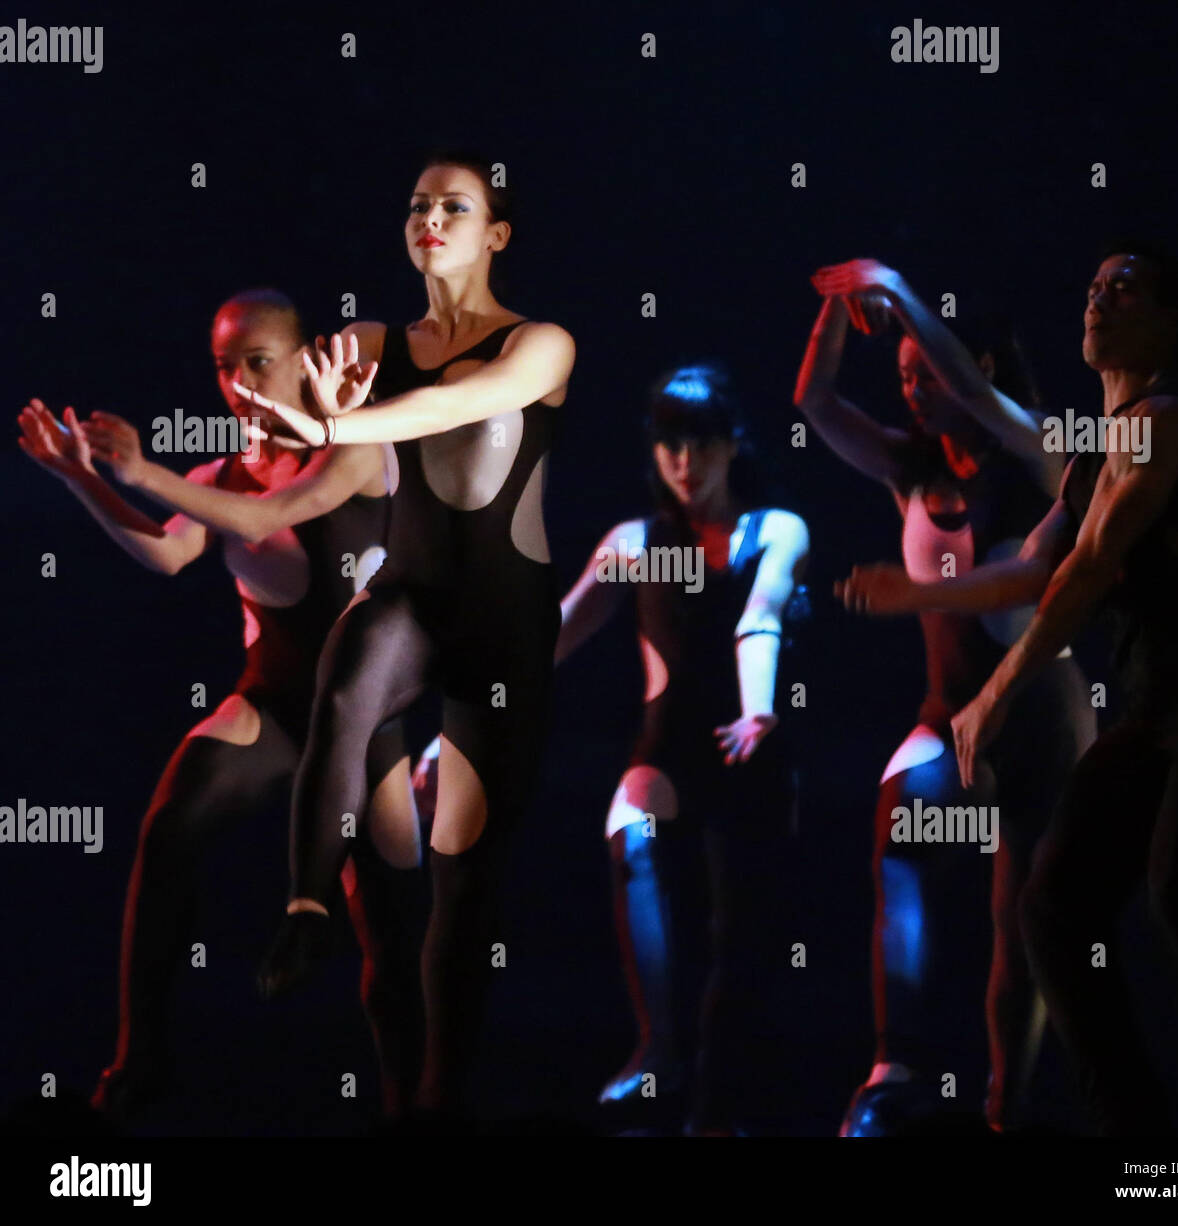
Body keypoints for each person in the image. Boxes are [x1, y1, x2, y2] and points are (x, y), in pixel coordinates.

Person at [17, 290, 426, 1120]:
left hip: (365, 721)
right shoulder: (221, 473)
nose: (238, 384)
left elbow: (267, 514)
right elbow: (169, 552)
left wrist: (146, 472)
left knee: (387, 929)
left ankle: (412, 1104)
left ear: (307, 357)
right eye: (224, 367)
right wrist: (81, 477)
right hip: (274, 702)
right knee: (169, 824)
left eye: (258, 362)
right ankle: (141, 1062)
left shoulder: (356, 447)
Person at [933, 242, 1178, 1135]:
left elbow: (1087, 570)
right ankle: (1137, 1137)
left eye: (1123, 289)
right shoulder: (1096, 453)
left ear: (1172, 321)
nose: (1098, 299)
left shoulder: (1170, 418)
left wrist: (997, 691)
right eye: (1092, 286)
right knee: (1052, 906)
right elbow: (1030, 570)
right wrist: (914, 594)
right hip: (1151, 709)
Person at [246, 152, 575, 1120]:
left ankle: (439, 1103)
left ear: (496, 233)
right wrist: (312, 412)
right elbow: (308, 411)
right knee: (344, 686)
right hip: (412, 592)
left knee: (460, 883)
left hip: (504, 624)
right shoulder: (368, 339)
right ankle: (306, 908)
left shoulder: (542, 343)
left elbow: (454, 403)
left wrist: (350, 423)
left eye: (455, 205)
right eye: (419, 204)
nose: (430, 216)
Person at [795, 260, 1095, 1133]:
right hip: (949, 715)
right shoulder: (907, 464)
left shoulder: (1043, 450)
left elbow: (967, 380)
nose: (914, 390)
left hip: (1039, 722)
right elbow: (814, 402)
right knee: (902, 825)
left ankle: (1008, 1106)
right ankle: (894, 1071)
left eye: (923, 371)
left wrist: (898, 290)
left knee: (1023, 923)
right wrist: (842, 313)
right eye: (903, 378)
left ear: (978, 367)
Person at [554, 364, 809, 1134]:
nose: (685, 462)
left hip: (748, 755)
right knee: (627, 833)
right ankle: (657, 1049)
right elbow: (548, 641)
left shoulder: (775, 528)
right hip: (664, 753)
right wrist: (450, 732)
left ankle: (718, 1105)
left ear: (733, 445)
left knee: (740, 947)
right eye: (670, 444)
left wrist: (760, 709)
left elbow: (758, 615)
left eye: (700, 443)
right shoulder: (636, 543)